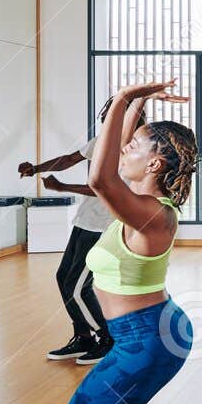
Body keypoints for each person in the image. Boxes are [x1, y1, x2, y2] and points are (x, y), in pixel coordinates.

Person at [50, 79, 199, 404]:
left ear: (155, 164)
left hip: (146, 343)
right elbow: (115, 162)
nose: (123, 149)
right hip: (145, 334)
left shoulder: (151, 216)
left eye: (136, 146)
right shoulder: (140, 198)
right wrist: (135, 105)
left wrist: (121, 101)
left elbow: (99, 178)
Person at [18, 98, 142, 365]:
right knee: (64, 277)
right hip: (85, 220)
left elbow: (107, 186)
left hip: (104, 226)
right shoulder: (102, 141)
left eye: (114, 113)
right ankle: (83, 336)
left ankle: (109, 339)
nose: (107, 116)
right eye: (107, 112)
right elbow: (69, 159)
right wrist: (35, 169)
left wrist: (63, 188)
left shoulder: (133, 149)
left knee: (77, 286)